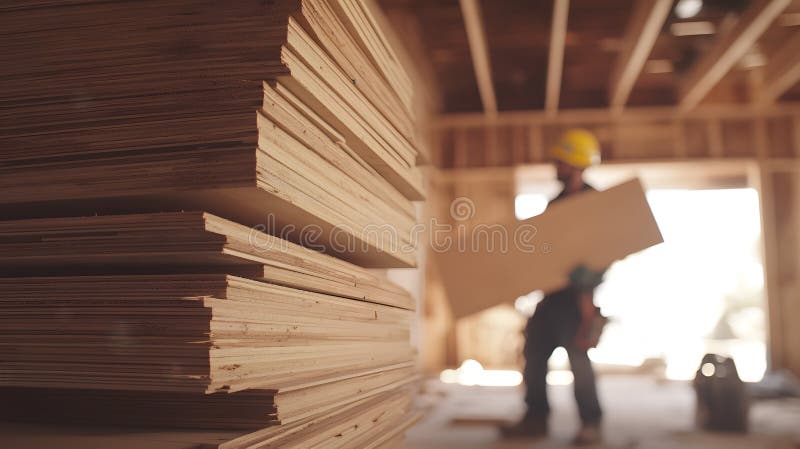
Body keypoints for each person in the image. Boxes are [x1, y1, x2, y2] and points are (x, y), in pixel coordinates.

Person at [500, 129, 605, 445]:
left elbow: (607, 250)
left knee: (580, 363)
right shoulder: (555, 204)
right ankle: (535, 419)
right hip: (550, 298)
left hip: (578, 299)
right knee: (533, 354)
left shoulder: (597, 203)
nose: (554, 167)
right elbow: (545, 252)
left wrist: (591, 281)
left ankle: (591, 423)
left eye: (560, 162)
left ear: (575, 164)